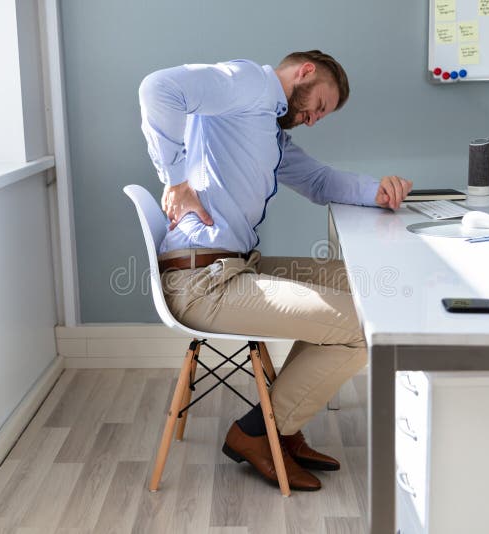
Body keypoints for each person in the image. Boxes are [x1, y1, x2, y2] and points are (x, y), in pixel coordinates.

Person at [139, 50, 413, 491]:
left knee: (361, 285)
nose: (313, 119)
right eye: (318, 106)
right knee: (366, 326)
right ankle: (260, 433)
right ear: (305, 72)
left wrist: (376, 190)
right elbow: (158, 88)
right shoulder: (247, 83)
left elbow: (319, 181)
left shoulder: (265, 127)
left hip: (234, 267)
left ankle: (281, 427)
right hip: (203, 283)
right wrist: (175, 180)